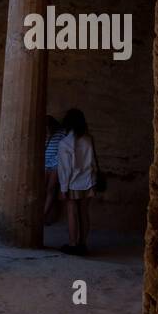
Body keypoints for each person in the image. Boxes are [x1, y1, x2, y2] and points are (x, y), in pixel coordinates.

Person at [55, 108, 96, 255]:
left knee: (72, 213)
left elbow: (65, 169)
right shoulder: (88, 139)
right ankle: (83, 243)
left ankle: (73, 244)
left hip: (72, 182)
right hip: (88, 180)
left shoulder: (64, 143)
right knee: (84, 213)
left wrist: (63, 188)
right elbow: (93, 162)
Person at [43, 115, 65, 224]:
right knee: (42, 189)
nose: (46, 129)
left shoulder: (61, 133)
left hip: (56, 163)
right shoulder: (42, 132)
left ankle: (44, 215)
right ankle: (44, 214)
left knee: (51, 189)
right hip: (45, 163)